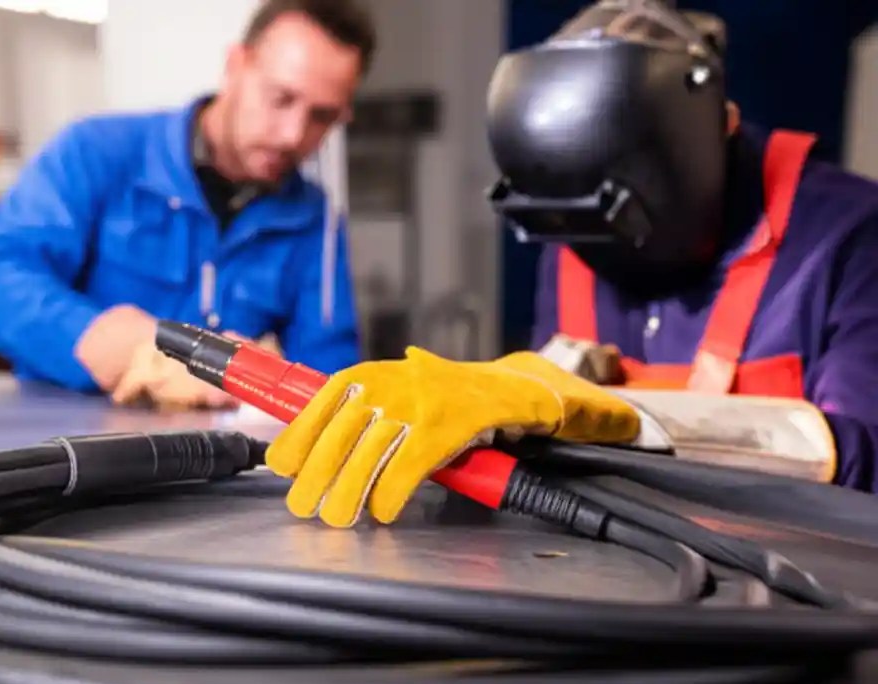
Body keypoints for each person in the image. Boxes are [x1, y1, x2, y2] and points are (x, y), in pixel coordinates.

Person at [264, 0, 878, 529]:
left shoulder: (849, 235)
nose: (594, 248)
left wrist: (603, 415)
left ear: (721, 131)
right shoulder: (575, 220)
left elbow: (863, 456)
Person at [0, 0, 375, 409]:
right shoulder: (97, 152)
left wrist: (270, 378)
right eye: (280, 98)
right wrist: (103, 340)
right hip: (64, 450)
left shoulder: (314, 219)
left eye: (322, 116)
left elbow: (329, 381)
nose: (292, 134)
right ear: (236, 65)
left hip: (215, 463)